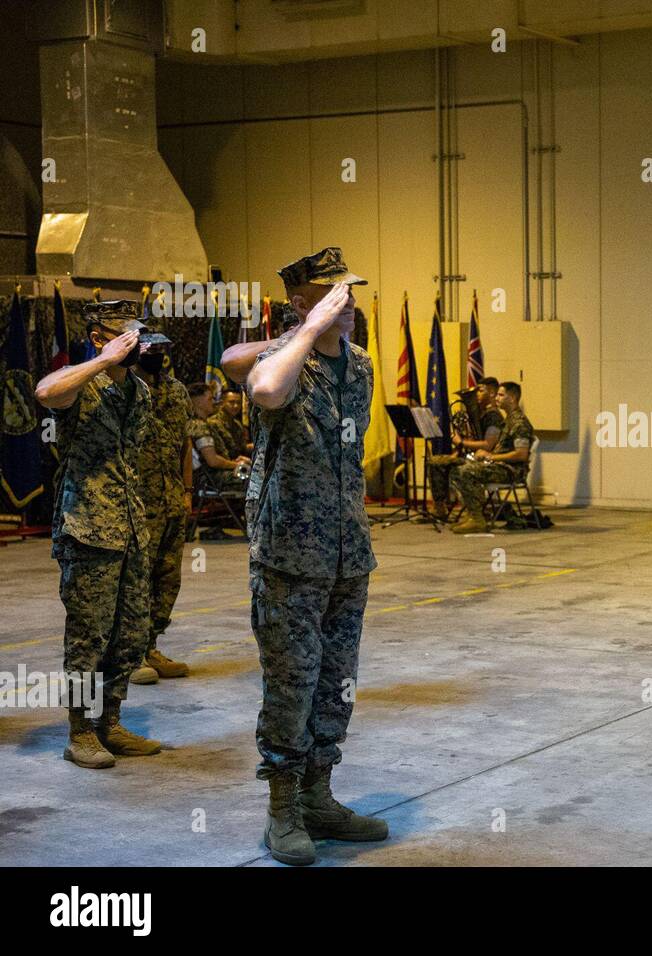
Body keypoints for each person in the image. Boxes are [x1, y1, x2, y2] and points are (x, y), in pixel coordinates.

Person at [244, 247, 387, 865]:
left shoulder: (361, 366)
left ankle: (318, 797)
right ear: (301, 303)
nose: (347, 301)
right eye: (332, 293)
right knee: (292, 686)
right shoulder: (283, 362)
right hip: (289, 558)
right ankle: (282, 810)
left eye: (350, 291)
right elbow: (266, 391)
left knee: (336, 686)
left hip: (347, 556)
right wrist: (305, 329)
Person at [34, 300, 164, 769]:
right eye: (124, 335)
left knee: (128, 634)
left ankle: (110, 720)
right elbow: (45, 392)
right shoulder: (79, 386)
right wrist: (104, 361)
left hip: (129, 528)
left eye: (137, 335)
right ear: (99, 338)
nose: (136, 343)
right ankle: (80, 731)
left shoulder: (140, 394)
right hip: (87, 530)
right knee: (88, 636)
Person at [129, 334, 192, 684]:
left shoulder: (177, 391)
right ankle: (130, 656)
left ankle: (150, 646)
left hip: (171, 502)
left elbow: (185, 443)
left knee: (167, 579)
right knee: (135, 581)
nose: (156, 355)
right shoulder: (123, 389)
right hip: (138, 502)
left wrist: (187, 492)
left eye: (161, 350)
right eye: (149, 350)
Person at [449, 381, 534, 534]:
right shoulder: (508, 420)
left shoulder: (519, 423)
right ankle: (472, 514)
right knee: (457, 468)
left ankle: (477, 519)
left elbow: (521, 454)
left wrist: (491, 456)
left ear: (513, 398)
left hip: (511, 470)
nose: (497, 398)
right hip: (500, 465)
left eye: (502, 395)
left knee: (467, 471)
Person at [425, 376, 503, 520]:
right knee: (435, 461)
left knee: (452, 468)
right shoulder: (479, 415)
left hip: (486, 459)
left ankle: (474, 510)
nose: (477, 394)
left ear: (492, 393)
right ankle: (439, 505)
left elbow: (488, 444)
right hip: (471, 455)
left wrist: (461, 443)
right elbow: (474, 439)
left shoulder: (494, 417)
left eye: (480, 390)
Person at [187, 383, 250, 494]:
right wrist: (236, 465)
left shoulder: (201, 424)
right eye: (210, 399)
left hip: (217, 475)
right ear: (199, 402)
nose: (214, 402)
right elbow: (213, 461)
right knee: (254, 480)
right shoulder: (198, 426)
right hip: (212, 479)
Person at [209, 388, 252, 460]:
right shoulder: (213, 423)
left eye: (238, 403)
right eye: (231, 402)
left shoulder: (237, 424)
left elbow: (242, 448)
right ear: (222, 403)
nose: (236, 406)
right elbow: (217, 453)